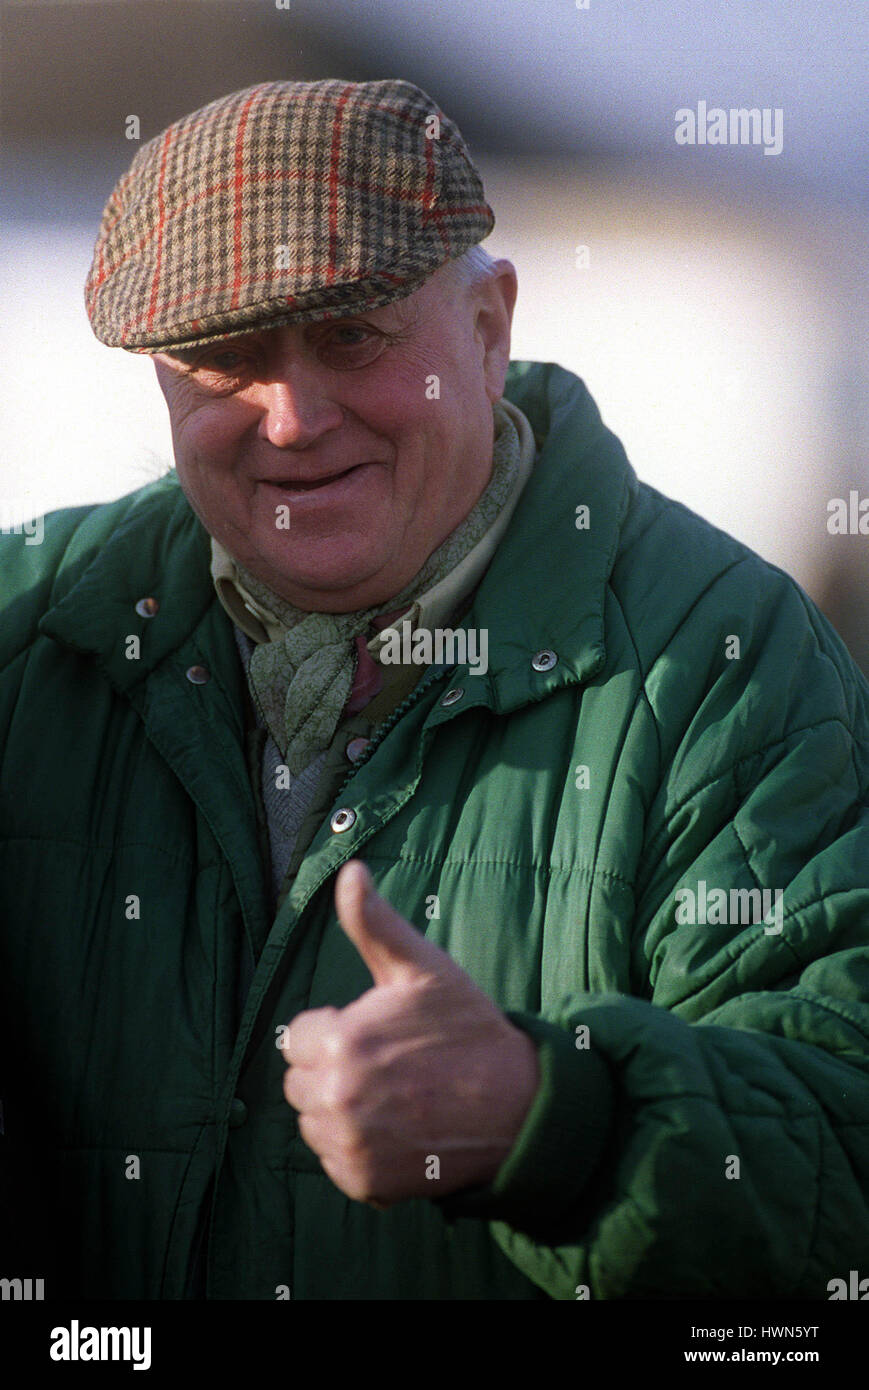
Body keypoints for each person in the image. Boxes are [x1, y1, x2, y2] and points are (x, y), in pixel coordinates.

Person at [1, 77, 867, 1302]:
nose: (293, 418)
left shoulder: (725, 663)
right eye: (227, 357)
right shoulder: (32, 632)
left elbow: (845, 1153)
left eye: (352, 334)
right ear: (158, 378)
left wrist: (550, 1121)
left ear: (489, 325)